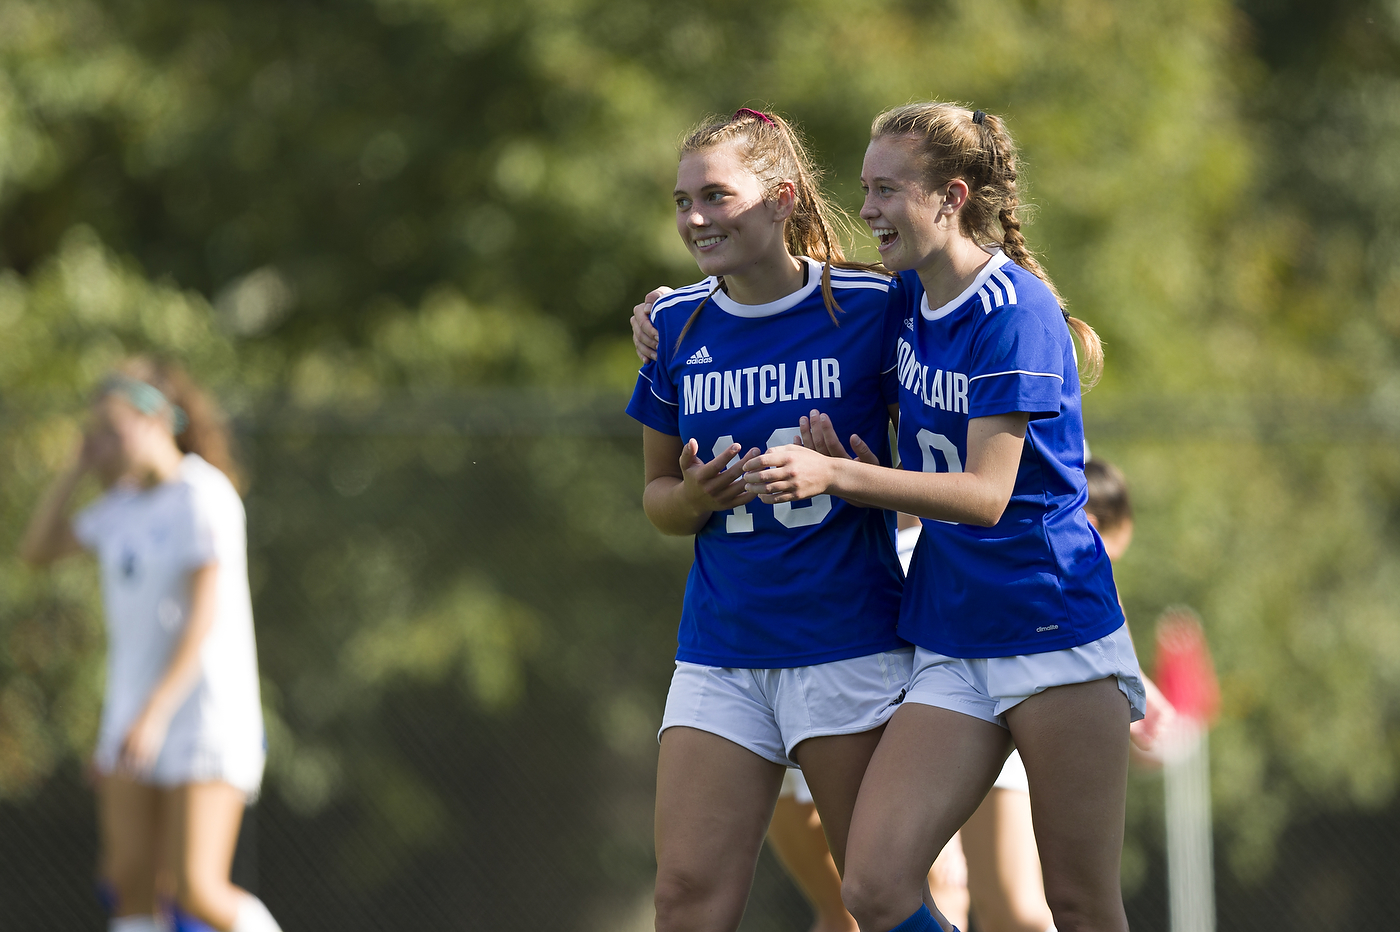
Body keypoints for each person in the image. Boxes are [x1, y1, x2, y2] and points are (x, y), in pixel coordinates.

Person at [740, 102, 1146, 932]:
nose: (868, 210)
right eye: (865, 188)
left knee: (1076, 905)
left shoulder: (1016, 310)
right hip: (952, 637)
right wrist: (669, 312)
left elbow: (986, 495)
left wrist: (842, 473)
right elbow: (785, 299)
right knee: (874, 887)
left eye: (887, 190)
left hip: (1053, 631)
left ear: (952, 196)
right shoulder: (903, 300)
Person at [624, 108, 916, 932]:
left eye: (716, 196)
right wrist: (696, 498)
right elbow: (658, 499)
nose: (694, 218)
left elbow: (941, 468)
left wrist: (854, 473)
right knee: (685, 897)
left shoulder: (872, 306)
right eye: (682, 201)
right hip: (721, 650)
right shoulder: (674, 324)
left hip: (848, 642)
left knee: (877, 898)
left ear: (782, 199)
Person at [20, 358, 280, 932]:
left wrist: (155, 713)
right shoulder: (121, 506)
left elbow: (204, 617)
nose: (103, 445)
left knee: (196, 889)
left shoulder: (204, 495)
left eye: (111, 431)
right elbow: (36, 551)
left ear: (157, 420)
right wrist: (73, 470)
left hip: (201, 716)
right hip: (130, 717)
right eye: (94, 433)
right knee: (128, 882)